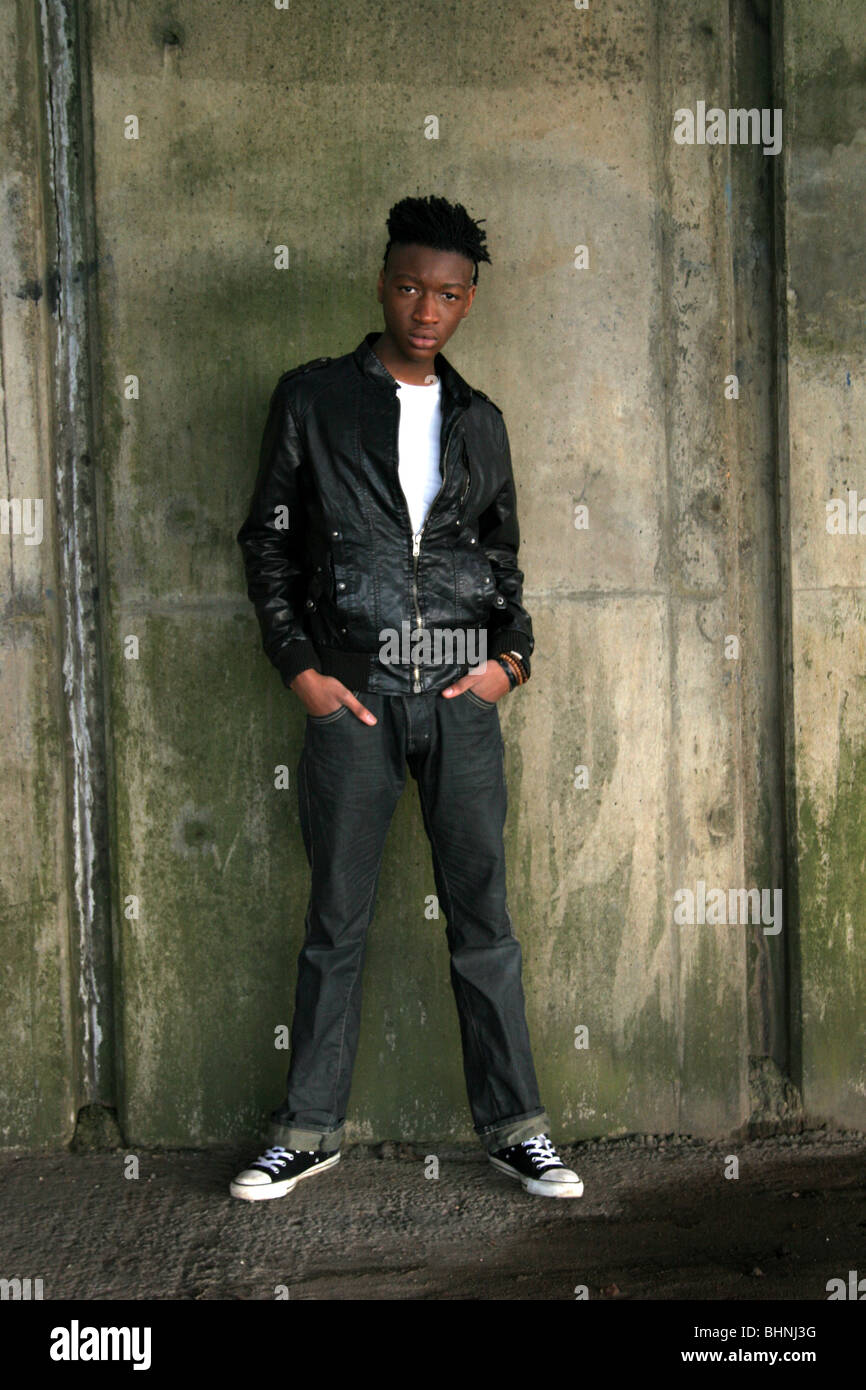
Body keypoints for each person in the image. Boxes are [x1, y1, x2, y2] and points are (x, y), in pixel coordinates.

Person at [232, 194, 583, 1201]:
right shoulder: (313, 399)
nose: (424, 309)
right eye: (406, 287)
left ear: (469, 300)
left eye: (445, 293)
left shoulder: (481, 422)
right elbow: (266, 543)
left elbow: (501, 562)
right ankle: (306, 1130)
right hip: (357, 690)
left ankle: (517, 1128)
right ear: (381, 285)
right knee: (335, 921)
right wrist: (303, 670)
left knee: (484, 921)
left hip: (460, 695)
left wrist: (505, 665)